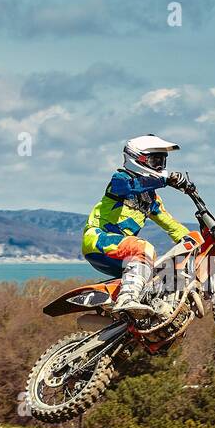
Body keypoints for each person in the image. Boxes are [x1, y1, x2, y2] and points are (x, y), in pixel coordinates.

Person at [81, 134, 195, 318]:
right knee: (144, 247)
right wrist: (165, 179)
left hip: (121, 252)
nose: (159, 166)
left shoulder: (151, 199)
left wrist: (194, 240)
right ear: (137, 158)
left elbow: (171, 225)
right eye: (155, 160)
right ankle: (127, 299)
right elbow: (127, 187)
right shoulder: (120, 179)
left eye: (162, 161)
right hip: (98, 239)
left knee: (160, 273)